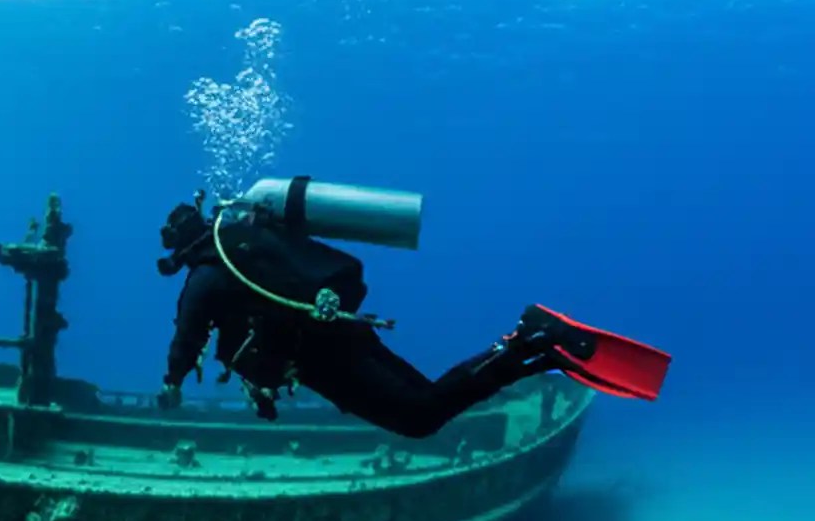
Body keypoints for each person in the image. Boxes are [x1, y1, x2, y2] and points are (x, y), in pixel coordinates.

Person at [154, 195, 671, 438]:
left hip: (319, 356)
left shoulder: (205, 278)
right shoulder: (254, 241)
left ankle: (527, 344)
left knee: (420, 417)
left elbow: (187, 337)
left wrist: (173, 382)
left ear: (180, 246)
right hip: (343, 336)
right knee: (424, 402)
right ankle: (533, 353)